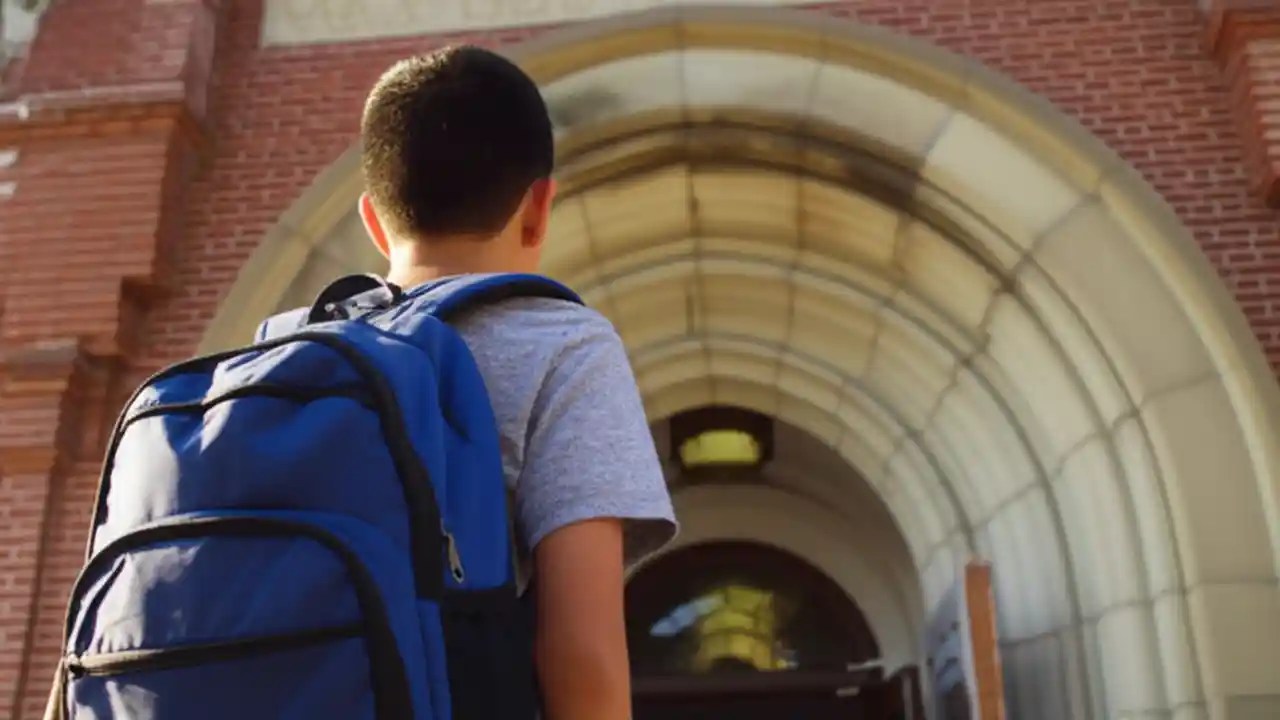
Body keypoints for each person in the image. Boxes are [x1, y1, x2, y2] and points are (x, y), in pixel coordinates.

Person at [357, 46, 677, 720]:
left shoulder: (280, 348)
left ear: (374, 220)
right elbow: (581, 649)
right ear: (539, 207)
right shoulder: (561, 343)